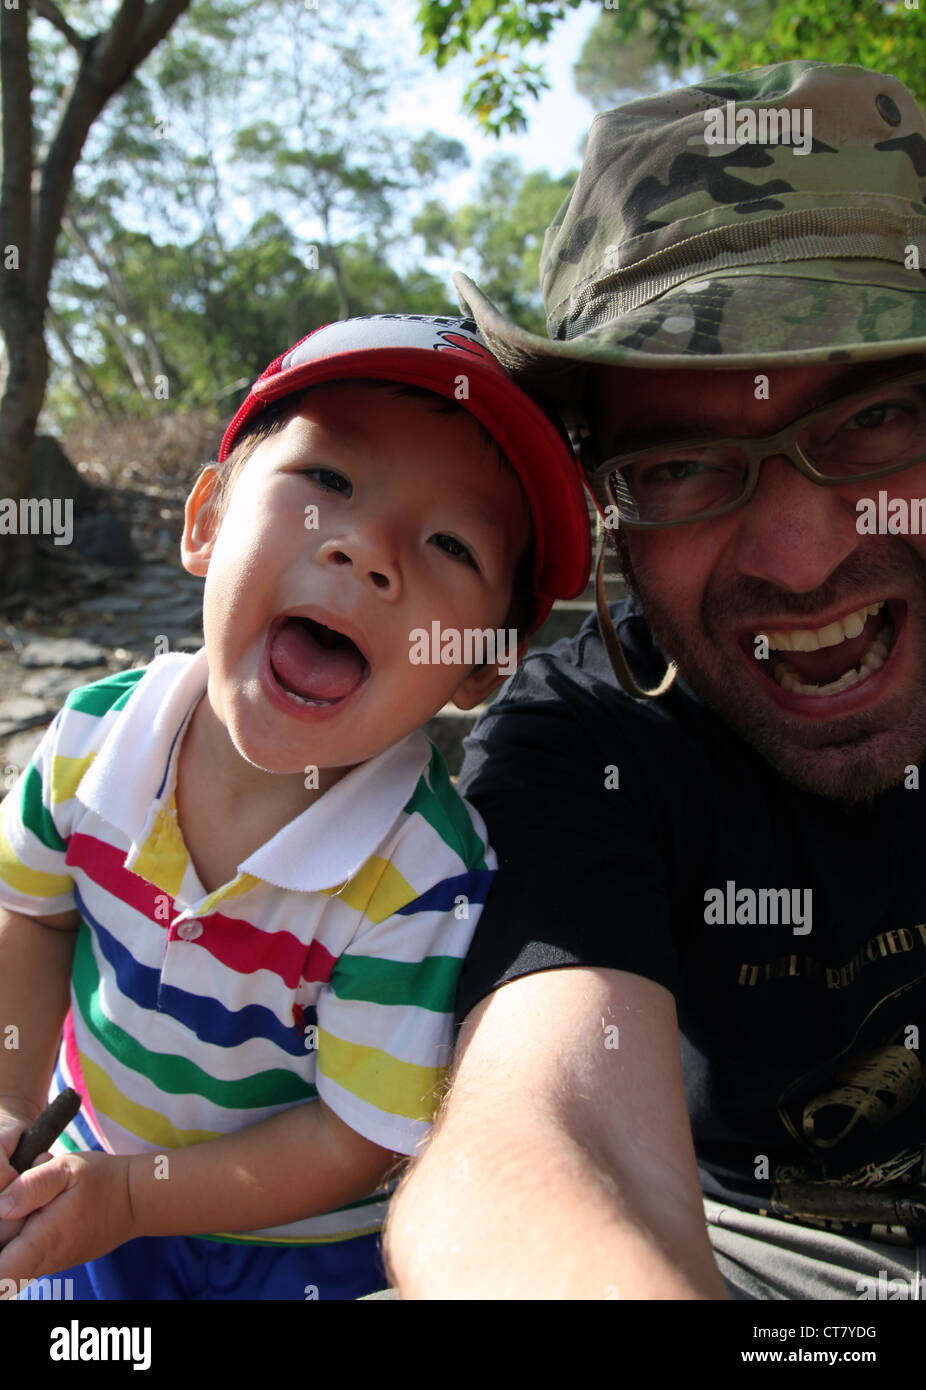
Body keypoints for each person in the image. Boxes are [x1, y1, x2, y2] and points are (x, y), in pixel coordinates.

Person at [383, 62, 926, 1300]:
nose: (802, 556)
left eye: (876, 416)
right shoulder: (585, 742)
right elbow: (530, 1137)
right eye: (679, 467)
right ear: (607, 517)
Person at [0, 314, 590, 1300]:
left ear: (482, 667)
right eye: (326, 482)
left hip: (297, 1242)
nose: (365, 549)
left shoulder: (418, 873)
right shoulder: (93, 741)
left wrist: (136, 1199)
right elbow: (31, 913)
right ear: (205, 523)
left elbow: (349, 1130)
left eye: (449, 542)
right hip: (90, 1162)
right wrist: (14, 1101)